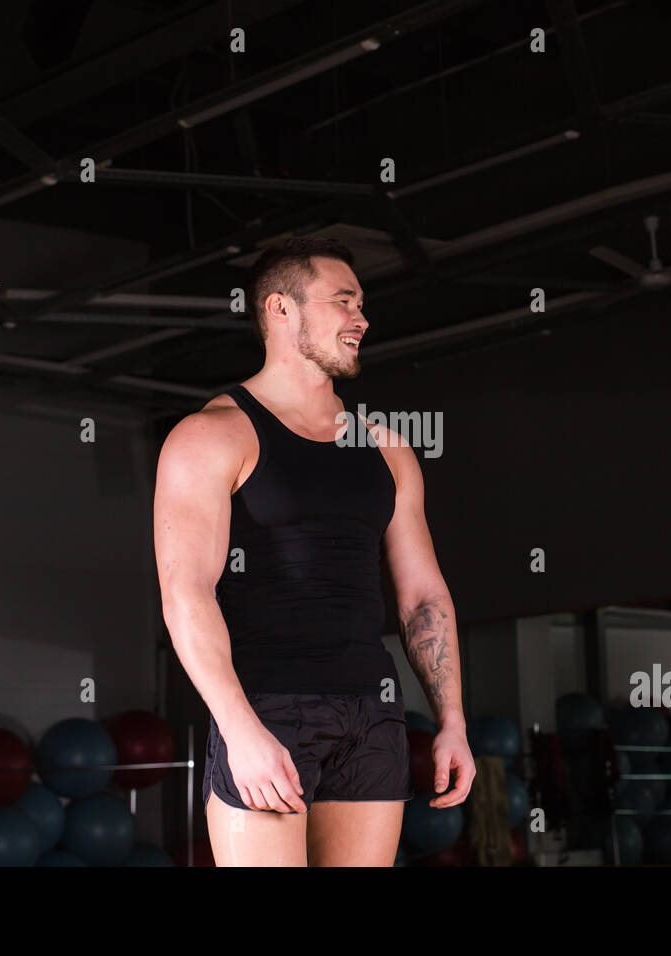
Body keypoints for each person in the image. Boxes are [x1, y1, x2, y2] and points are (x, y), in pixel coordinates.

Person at [154, 236, 474, 866]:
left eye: (362, 305)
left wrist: (453, 719)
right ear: (280, 309)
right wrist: (240, 729)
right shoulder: (211, 436)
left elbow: (422, 598)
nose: (362, 320)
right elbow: (185, 591)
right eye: (343, 301)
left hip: (372, 711)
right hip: (267, 707)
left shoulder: (387, 449)